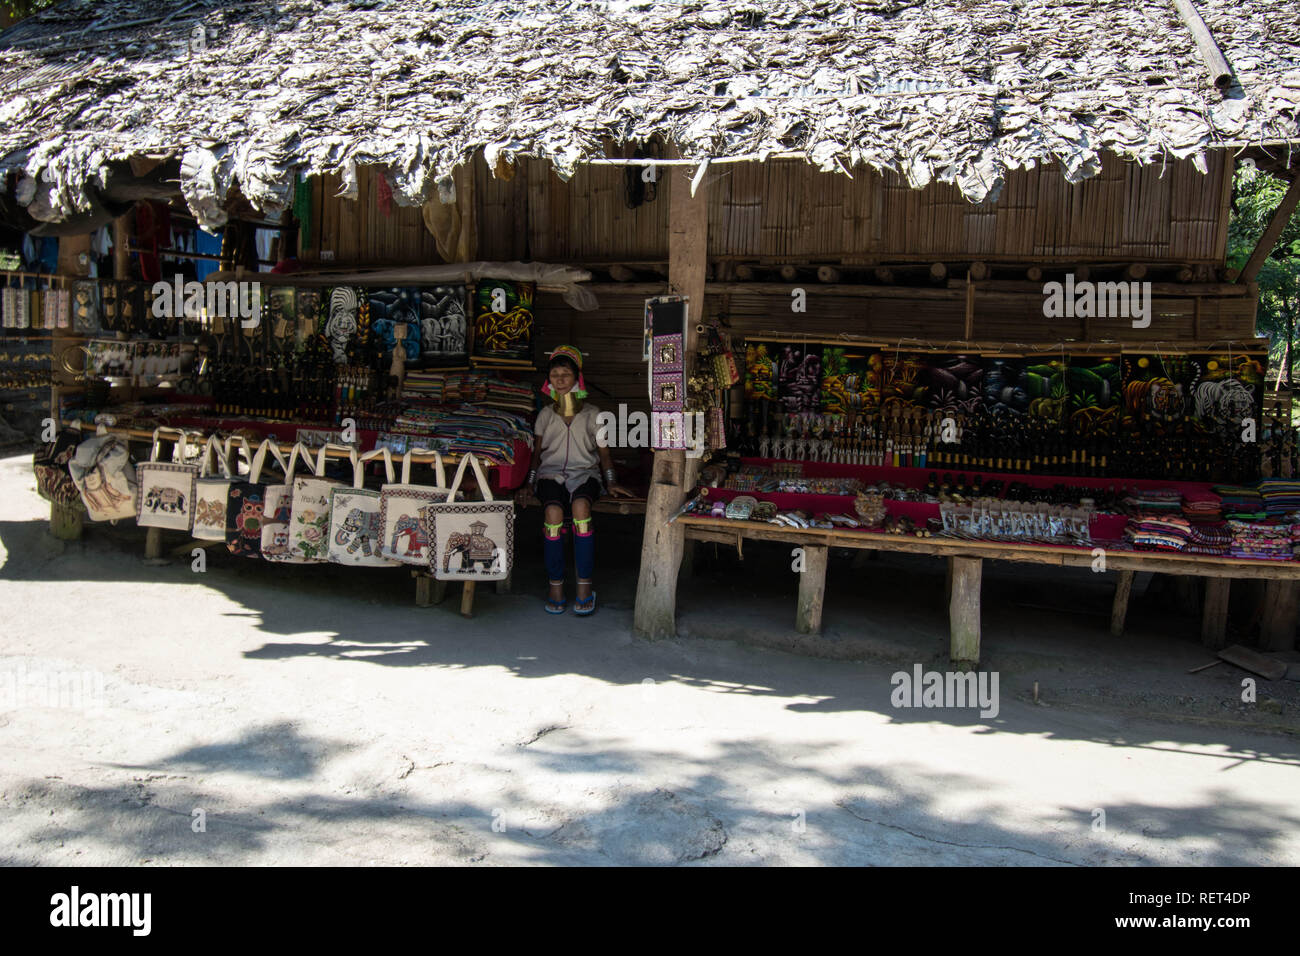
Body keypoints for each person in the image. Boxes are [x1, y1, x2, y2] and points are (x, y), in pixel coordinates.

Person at [518, 345, 632, 615]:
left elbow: (604, 454)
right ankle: (555, 586)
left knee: (581, 508)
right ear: (549, 380)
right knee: (554, 512)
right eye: (554, 374)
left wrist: (611, 480)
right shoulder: (545, 415)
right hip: (550, 474)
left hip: (585, 474)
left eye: (565, 373)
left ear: (577, 377)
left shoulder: (593, 414)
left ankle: (584, 586)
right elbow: (536, 455)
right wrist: (529, 482)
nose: (559, 378)